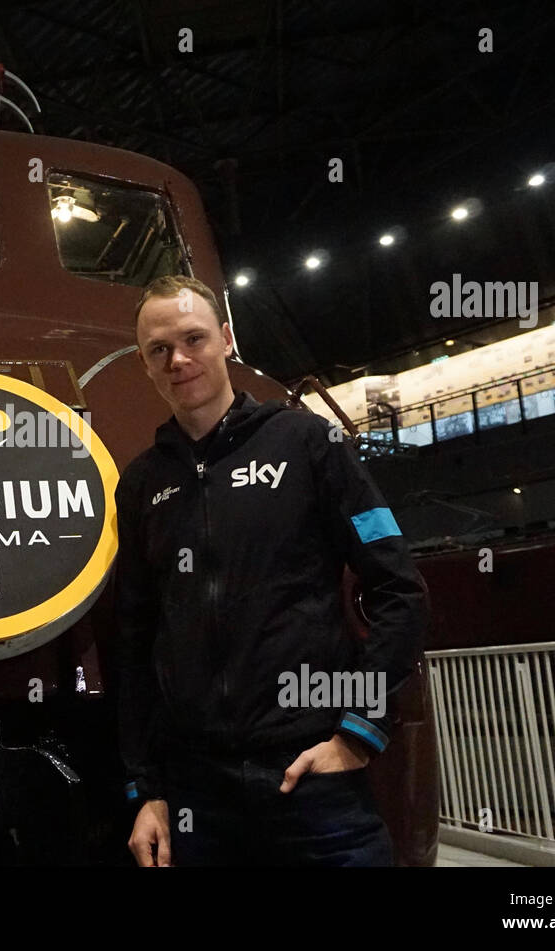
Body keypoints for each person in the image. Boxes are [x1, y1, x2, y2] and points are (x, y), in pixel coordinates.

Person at [115, 275, 429, 866]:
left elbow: (398, 587)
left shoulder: (307, 442)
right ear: (145, 363)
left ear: (227, 340)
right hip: (197, 799)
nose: (179, 359)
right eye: (159, 350)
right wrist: (147, 790)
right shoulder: (142, 485)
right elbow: (132, 642)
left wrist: (359, 732)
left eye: (194, 339)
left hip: (313, 781)